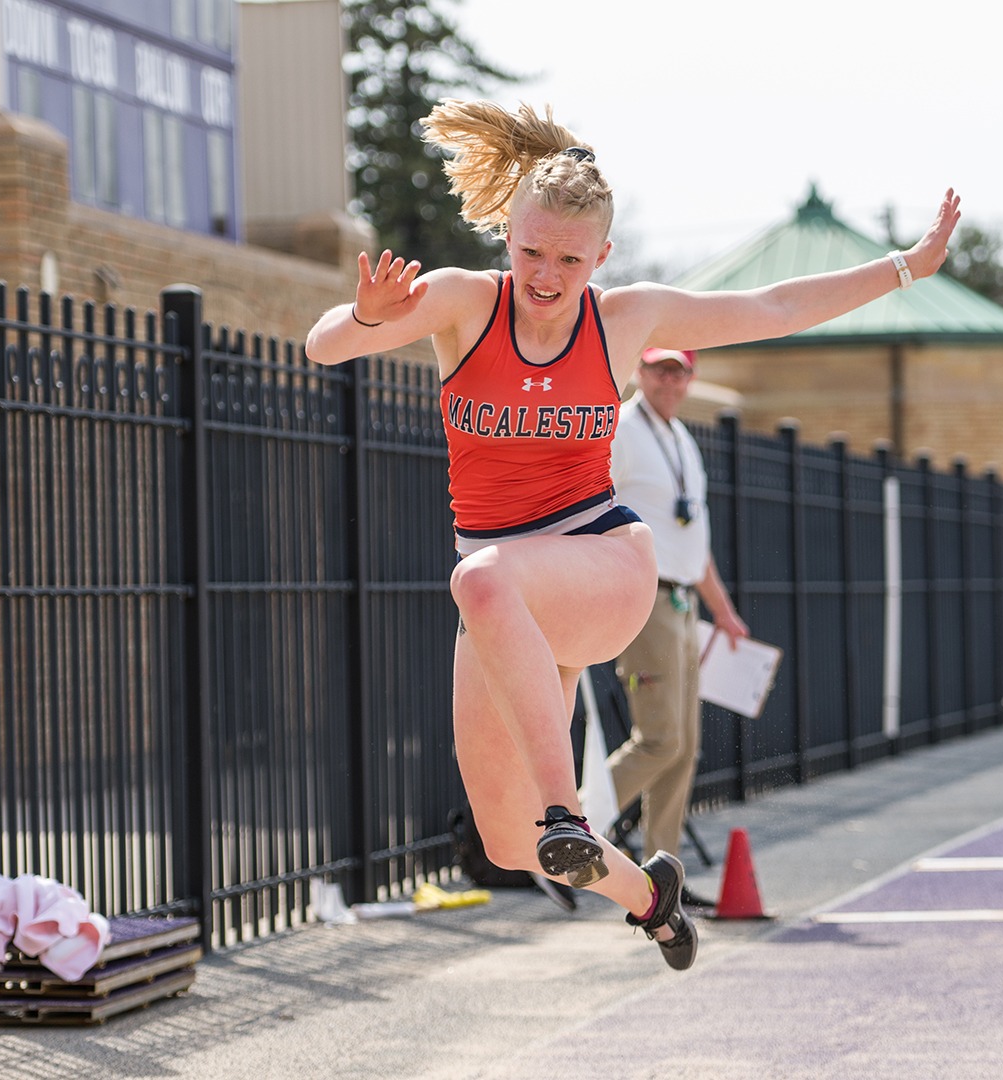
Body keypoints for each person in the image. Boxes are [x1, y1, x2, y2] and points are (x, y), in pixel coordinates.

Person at [302, 99, 960, 971]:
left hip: (601, 562)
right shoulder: (464, 304)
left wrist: (904, 269)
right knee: (506, 841)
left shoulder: (625, 322)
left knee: (479, 586)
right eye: (531, 252)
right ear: (508, 234)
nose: (545, 277)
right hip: (511, 595)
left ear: (602, 257)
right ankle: (651, 897)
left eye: (569, 261)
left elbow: (771, 305)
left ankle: (568, 810)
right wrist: (371, 317)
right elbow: (321, 348)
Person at [606, 348, 747, 900]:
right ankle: (554, 830)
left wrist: (725, 611)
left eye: (679, 370)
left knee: (684, 747)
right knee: (661, 740)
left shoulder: (682, 440)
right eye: (659, 368)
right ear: (640, 372)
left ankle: (662, 875)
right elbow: (592, 506)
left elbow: (694, 539)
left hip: (684, 602)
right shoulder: (619, 428)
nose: (669, 378)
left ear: (691, 379)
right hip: (648, 597)